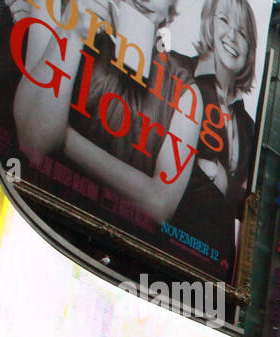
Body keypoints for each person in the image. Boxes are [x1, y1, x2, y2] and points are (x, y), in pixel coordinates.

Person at [13, 0, 201, 225]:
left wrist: (60, 134)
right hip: (31, 215)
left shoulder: (185, 92)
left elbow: (159, 206)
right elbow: (32, 142)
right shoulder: (57, 8)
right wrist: (73, 31)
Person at [170, 0, 260, 279]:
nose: (232, 37)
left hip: (214, 269)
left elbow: (246, 204)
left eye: (243, 33)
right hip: (165, 248)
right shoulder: (176, 70)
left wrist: (223, 181)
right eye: (224, 21)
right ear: (209, 22)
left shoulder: (248, 126)